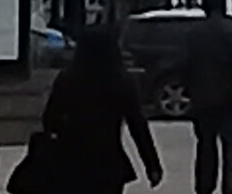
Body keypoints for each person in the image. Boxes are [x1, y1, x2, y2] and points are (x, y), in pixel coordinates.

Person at [40, 27, 163, 191]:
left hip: (72, 159)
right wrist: (152, 164)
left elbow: (50, 119)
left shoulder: (68, 79)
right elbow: (137, 125)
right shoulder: (121, 81)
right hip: (109, 160)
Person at [185, 0, 232, 194]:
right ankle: (231, 189)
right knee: (231, 148)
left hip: (203, 98)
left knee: (205, 146)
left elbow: (187, 65)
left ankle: (204, 187)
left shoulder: (194, 34)